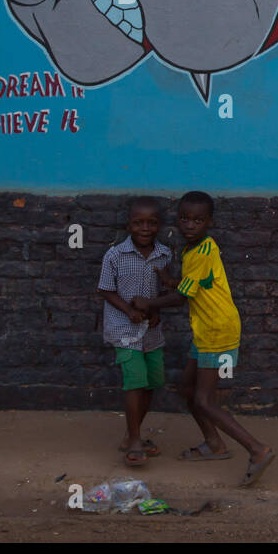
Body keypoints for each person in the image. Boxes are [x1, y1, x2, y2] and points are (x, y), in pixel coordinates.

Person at [135, 191, 276, 487]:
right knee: (187, 388)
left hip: (217, 330)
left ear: (209, 222)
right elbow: (193, 285)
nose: (190, 225)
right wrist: (170, 280)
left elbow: (180, 298)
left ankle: (257, 449)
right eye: (185, 218)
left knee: (204, 399)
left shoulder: (201, 252)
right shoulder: (194, 249)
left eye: (198, 220)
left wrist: (148, 302)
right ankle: (214, 444)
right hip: (206, 329)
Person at [96, 196, 171, 468]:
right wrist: (129, 311)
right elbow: (105, 289)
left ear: (159, 226)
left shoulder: (164, 255)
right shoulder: (115, 254)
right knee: (135, 382)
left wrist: (156, 313)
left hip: (151, 332)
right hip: (124, 330)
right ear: (129, 224)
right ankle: (136, 440)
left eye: (151, 223)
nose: (145, 228)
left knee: (152, 382)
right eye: (138, 222)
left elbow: (164, 293)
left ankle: (131, 434)